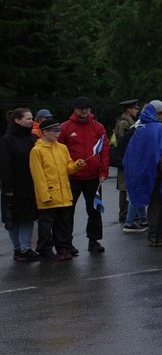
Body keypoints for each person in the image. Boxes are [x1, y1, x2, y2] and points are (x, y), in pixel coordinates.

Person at [29, 117, 87, 260]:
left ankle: (63, 249)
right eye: (54, 131)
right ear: (45, 132)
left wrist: (76, 166)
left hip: (64, 194)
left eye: (59, 131)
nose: (58, 134)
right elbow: (38, 176)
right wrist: (44, 196)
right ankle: (45, 250)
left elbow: (67, 168)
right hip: (48, 195)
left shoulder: (62, 148)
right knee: (46, 226)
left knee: (62, 224)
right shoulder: (37, 151)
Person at [59, 96, 109, 254]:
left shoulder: (98, 127)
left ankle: (94, 241)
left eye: (87, 109)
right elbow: (59, 152)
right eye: (81, 109)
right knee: (67, 212)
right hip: (71, 178)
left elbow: (105, 151)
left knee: (94, 210)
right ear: (75, 109)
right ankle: (66, 243)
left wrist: (104, 171)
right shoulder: (65, 128)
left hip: (93, 177)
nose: (84, 111)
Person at [124, 101, 162, 247]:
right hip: (158, 172)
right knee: (160, 204)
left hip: (144, 171)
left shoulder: (140, 127)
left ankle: (159, 234)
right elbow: (161, 151)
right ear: (159, 113)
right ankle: (156, 235)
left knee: (155, 203)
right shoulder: (157, 127)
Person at [1, 108, 40, 261]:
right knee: (13, 218)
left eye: (32, 118)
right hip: (13, 187)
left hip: (30, 186)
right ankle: (18, 248)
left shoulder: (33, 138)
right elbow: (5, 165)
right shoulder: (7, 140)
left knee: (28, 217)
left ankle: (25, 248)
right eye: (28, 119)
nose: (31, 121)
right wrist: (8, 187)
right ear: (17, 120)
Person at [110, 99, 140, 224]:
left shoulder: (129, 121)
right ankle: (124, 214)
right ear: (129, 110)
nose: (137, 110)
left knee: (127, 185)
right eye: (135, 108)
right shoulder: (124, 123)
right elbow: (123, 142)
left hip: (127, 158)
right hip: (124, 158)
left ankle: (130, 213)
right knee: (124, 186)